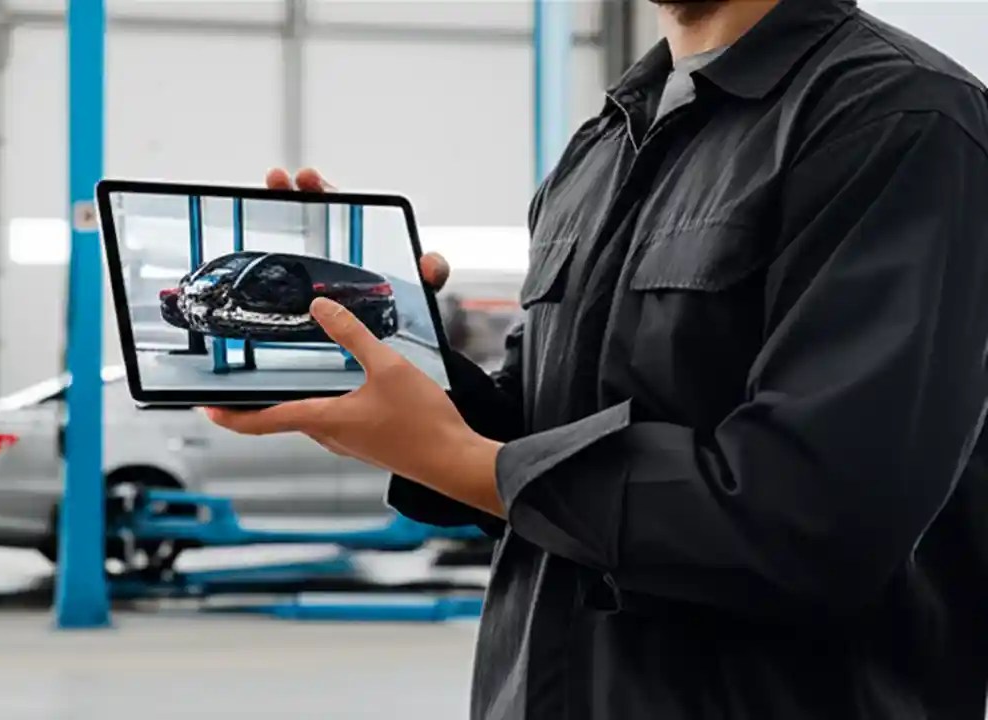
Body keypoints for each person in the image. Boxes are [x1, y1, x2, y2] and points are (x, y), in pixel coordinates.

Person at [207, 0, 988, 717]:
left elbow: (814, 516)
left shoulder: (901, 117)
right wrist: (395, 355)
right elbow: (544, 438)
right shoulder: (604, 144)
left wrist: (457, 457)